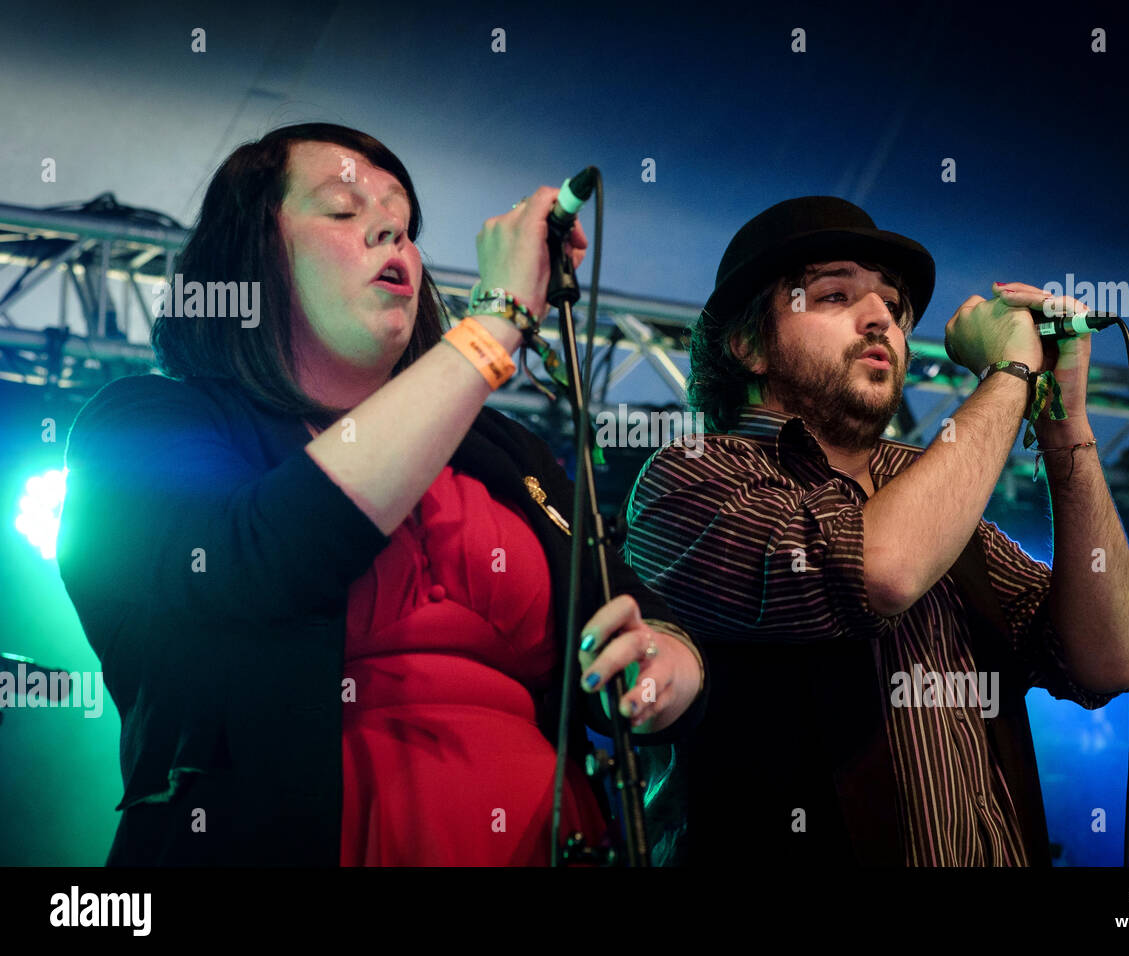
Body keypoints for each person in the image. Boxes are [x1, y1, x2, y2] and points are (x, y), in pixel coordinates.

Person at [56, 123, 706, 866]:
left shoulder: (504, 452)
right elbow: (255, 561)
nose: (390, 229)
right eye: (343, 209)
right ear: (251, 253)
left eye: (401, 217)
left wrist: (672, 666)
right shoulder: (147, 422)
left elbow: (625, 615)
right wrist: (493, 325)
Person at [623, 196, 1129, 866]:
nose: (881, 318)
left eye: (894, 306)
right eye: (834, 294)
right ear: (750, 343)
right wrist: (1012, 371)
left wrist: (1064, 425)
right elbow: (880, 570)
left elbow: (1110, 661)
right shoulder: (694, 479)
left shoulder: (935, 493)